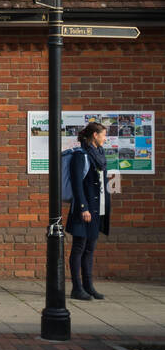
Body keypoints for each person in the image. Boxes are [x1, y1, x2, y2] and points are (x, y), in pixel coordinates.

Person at [68, 122, 112, 301]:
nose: (105, 138)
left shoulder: (99, 154)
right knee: (79, 248)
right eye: (103, 135)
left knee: (90, 249)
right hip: (84, 210)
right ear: (95, 135)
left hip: (97, 209)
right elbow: (77, 184)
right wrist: (83, 208)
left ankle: (88, 286)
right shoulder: (81, 155)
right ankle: (76, 288)